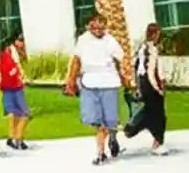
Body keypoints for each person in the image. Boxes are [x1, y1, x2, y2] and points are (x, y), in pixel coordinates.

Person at [65, 12, 129, 165]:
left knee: (110, 119)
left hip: (109, 82)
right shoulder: (83, 40)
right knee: (94, 119)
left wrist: (125, 77)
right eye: (95, 25)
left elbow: (121, 59)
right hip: (89, 82)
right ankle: (100, 152)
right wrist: (71, 81)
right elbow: (76, 61)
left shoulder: (110, 40)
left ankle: (111, 138)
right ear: (88, 26)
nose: (99, 28)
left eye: (102, 25)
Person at [122, 23, 168, 155]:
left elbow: (136, 68)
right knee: (158, 115)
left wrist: (138, 85)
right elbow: (152, 71)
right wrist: (159, 87)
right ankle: (156, 141)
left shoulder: (142, 48)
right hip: (151, 84)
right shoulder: (152, 50)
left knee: (151, 110)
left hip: (144, 83)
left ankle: (134, 127)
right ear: (154, 34)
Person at [0, 33, 30, 150]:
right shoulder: (12, 53)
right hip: (14, 86)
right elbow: (16, 68)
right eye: (20, 40)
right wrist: (22, 77)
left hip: (7, 86)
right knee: (25, 113)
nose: (22, 43)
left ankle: (13, 137)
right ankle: (18, 138)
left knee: (14, 114)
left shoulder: (7, 52)